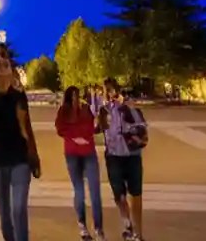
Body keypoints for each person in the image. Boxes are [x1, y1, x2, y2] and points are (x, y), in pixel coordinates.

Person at [0, 54, 39, 241]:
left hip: (20, 158)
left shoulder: (19, 97)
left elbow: (27, 127)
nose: (3, 68)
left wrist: (34, 153)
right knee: (5, 211)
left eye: (6, 65)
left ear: (12, 73)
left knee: (19, 208)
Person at [55, 86, 105, 240]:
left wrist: (101, 123)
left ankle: (98, 229)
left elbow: (93, 129)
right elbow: (60, 129)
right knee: (79, 191)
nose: (76, 98)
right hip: (72, 154)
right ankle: (82, 225)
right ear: (69, 97)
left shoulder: (86, 109)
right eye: (73, 95)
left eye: (78, 95)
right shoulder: (64, 111)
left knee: (95, 191)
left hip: (88, 152)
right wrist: (74, 138)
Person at [100, 78, 147, 241]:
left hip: (132, 155)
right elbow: (97, 128)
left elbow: (141, 125)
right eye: (106, 90)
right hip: (114, 156)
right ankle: (127, 224)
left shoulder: (129, 106)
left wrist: (125, 105)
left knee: (136, 195)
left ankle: (138, 234)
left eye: (111, 90)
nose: (109, 94)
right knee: (119, 195)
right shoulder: (104, 109)